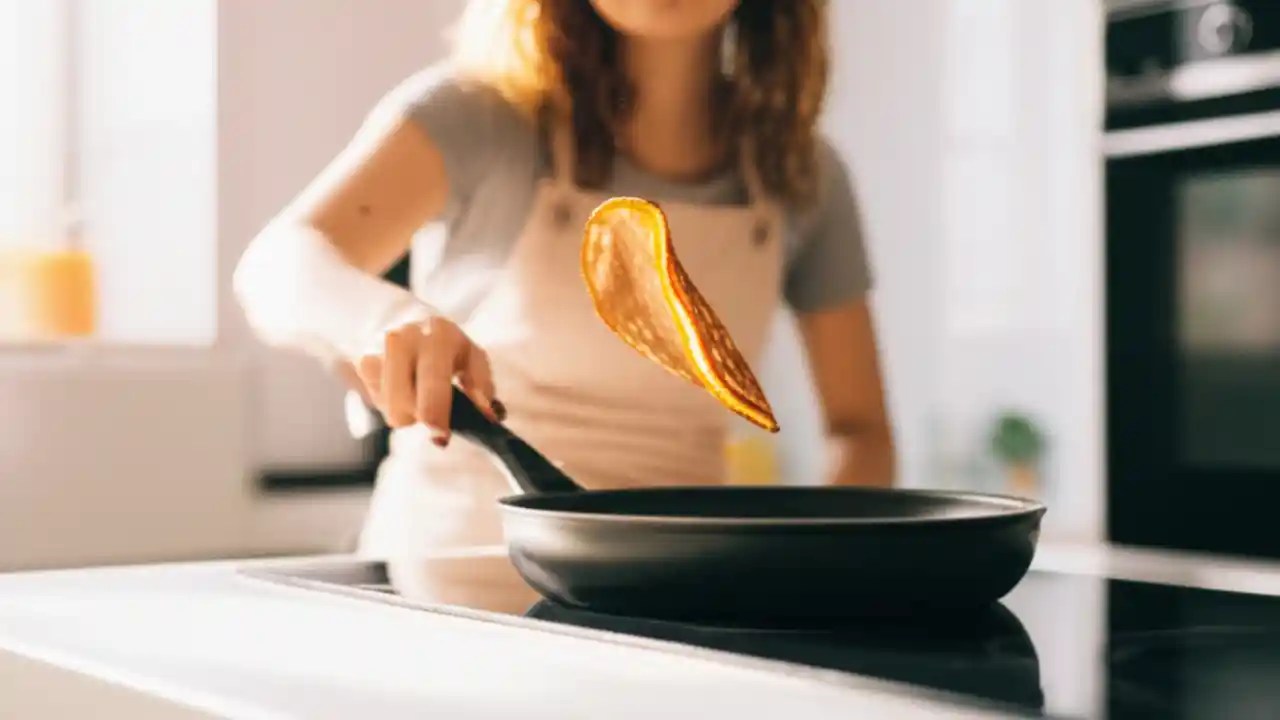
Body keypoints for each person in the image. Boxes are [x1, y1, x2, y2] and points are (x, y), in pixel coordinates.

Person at [233, 0, 895, 556]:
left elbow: (859, 431)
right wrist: (380, 321)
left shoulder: (804, 175)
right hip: (449, 579)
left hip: (671, 601)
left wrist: (811, 568)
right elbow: (277, 265)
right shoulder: (478, 114)